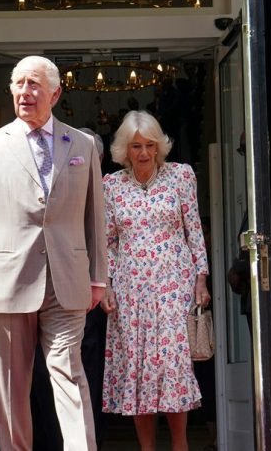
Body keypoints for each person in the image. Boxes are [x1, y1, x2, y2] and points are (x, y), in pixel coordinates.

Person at [0, 55, 107, 451]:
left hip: (69, 279)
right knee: (11, 385)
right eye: (19, 83)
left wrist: (99, 277)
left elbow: (96, 214)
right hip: (8, 280)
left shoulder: (82, 144)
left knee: (69, 372)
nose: (25, 92)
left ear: (55, 93)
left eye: (34, 84)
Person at [100, 110, 210, 451]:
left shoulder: (181, 176)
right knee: (137, 371)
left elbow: (194, 231)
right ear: (124, 149)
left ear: (159, 145)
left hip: (174, 286)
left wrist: (201, 280)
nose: (144, 153)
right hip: (130, 290)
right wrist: (105, 284)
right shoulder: (111, 185)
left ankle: (180, 445)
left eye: (149, 145)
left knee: (173, 368)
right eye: (136, 146)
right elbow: (107, 242)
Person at [30, 127, 109, 451]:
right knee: (43, 378)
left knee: (87, 380)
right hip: (44, 297)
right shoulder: (47, 188)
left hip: (91, 303)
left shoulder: (111, 192)